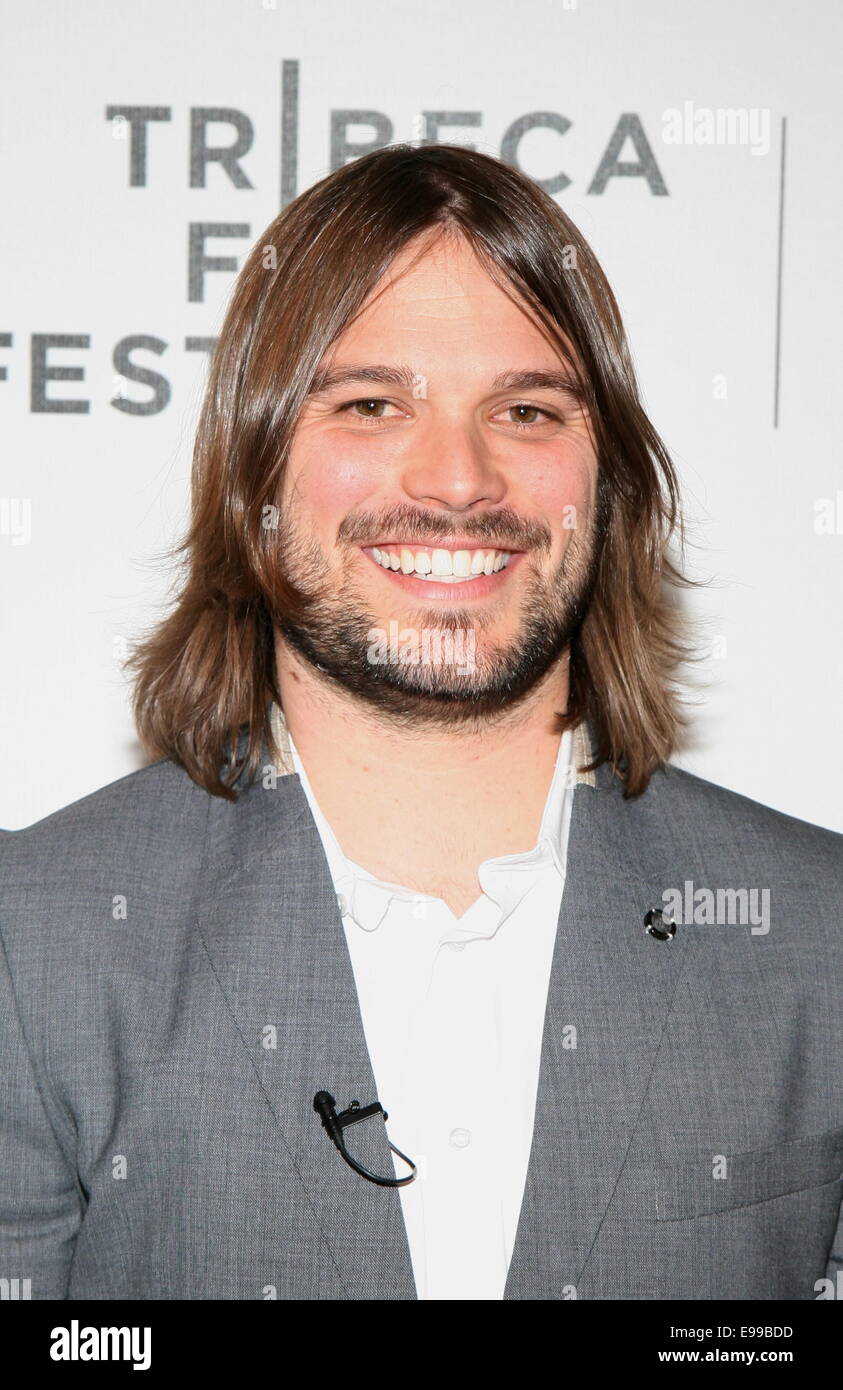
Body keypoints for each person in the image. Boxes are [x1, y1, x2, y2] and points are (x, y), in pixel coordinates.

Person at [1, 144, 841, 1302]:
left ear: (606, 485)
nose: (457, 477)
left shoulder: (818, 935)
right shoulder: (31, 946)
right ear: (256, 471)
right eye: (370, 404)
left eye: (529, 408)